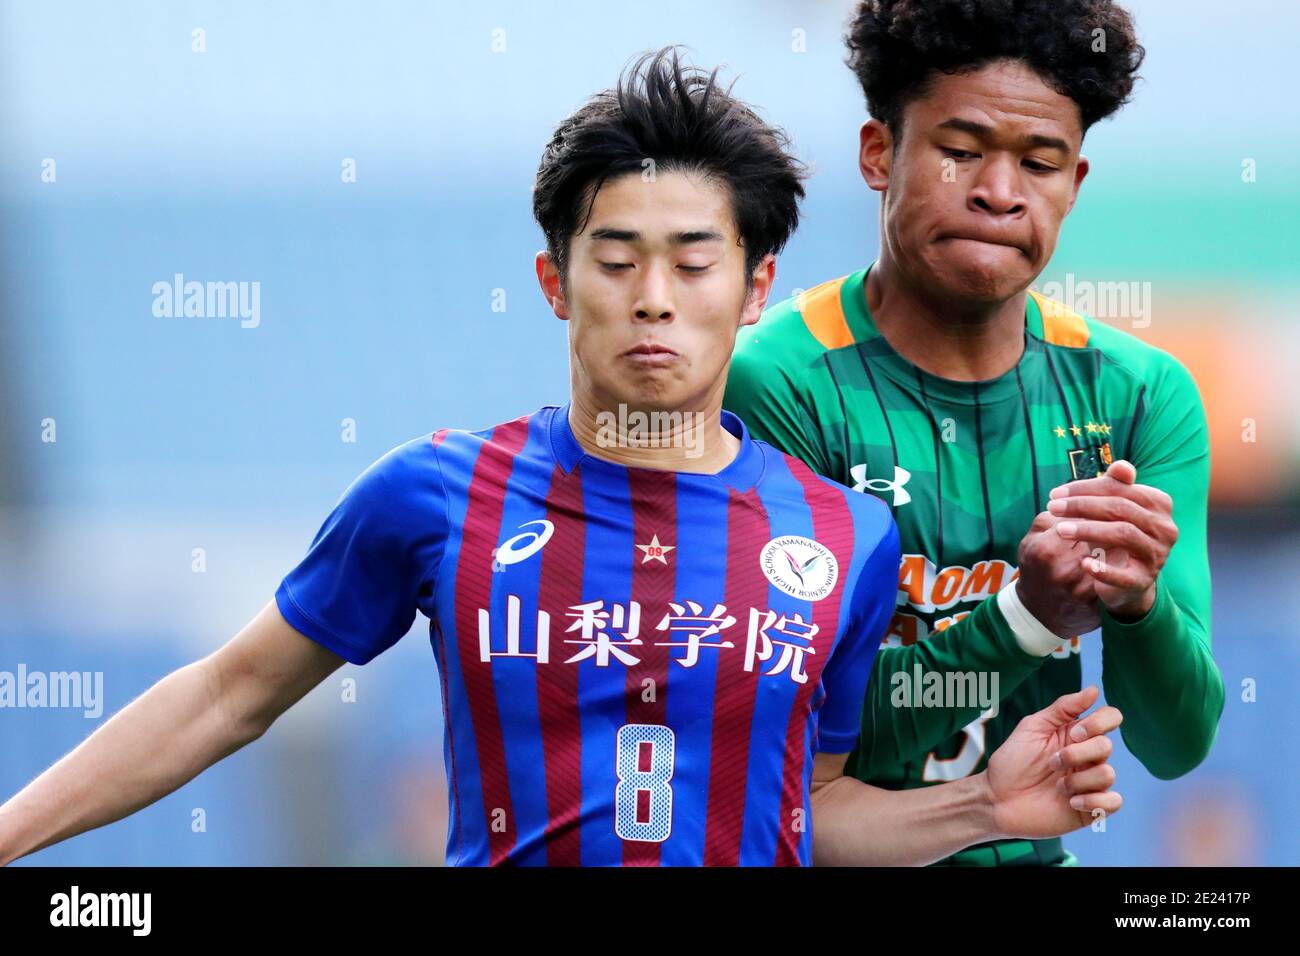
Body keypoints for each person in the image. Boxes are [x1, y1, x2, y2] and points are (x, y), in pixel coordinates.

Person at [0, 49, 1122, 868]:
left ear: (753, 290)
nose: (651, 298)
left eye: (693, 262)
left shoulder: (842, 534)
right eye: (616, 257)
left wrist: (980, 804)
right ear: (554, 283)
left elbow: (805, 818)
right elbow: (226, 696)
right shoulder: (433, 495)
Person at [724, 1, 1221, 866]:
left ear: (1076, 183)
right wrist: (1028, 618)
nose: (999, 191)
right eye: (961, 151)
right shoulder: (775, 384)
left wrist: (1141, 607)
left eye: (1040, 162)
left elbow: (1177, 747)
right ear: (880, 153)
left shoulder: (1143, 396)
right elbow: (787, 750)